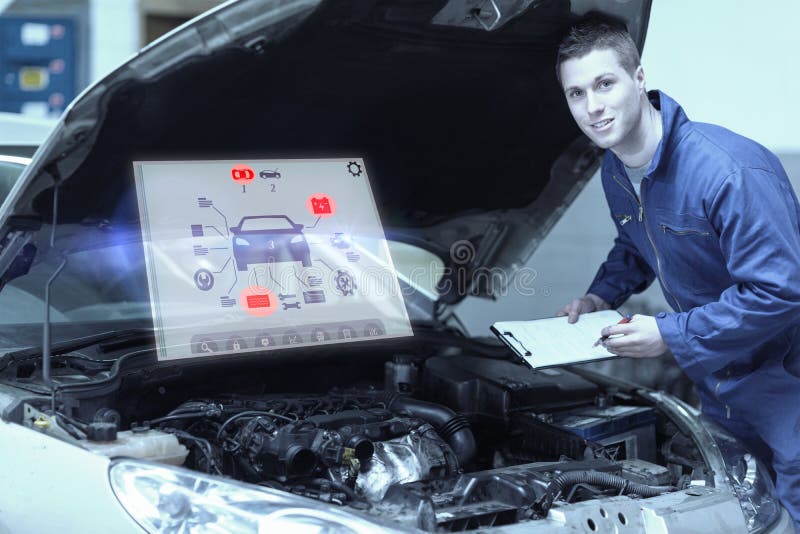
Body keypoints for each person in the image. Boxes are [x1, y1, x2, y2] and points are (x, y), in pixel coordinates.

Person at [554, 19, 800, 529]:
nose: (592, 107)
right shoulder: (616, 169)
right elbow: (640, 242)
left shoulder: (728, 171)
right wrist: (601, 296)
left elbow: (781, 290)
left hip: (786, 383)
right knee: (743, 516)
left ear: (639, 78)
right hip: (716, 384)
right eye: (576, 93)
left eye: (605, 83)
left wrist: (669, 333)